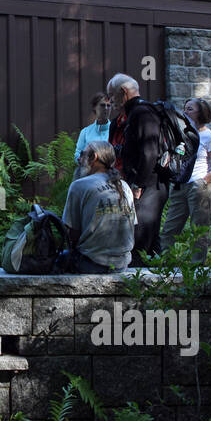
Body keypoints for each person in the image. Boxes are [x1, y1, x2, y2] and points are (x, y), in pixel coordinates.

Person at [106, 73, 168, 267]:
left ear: (123, 93)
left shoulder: (142, 113)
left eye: (113, 96)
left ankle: (137, 283)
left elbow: (150, 152)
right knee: (149, 240)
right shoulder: (132, 114)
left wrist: (137, 185)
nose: (111, 101)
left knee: (140, 238)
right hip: (145, 183)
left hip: (150, 184)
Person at [159, 98, 211, 261]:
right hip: (180, 185)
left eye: (190, 109)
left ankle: (197, 266)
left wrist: (205, 181)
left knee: (198, 229)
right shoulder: (182, 134)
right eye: (185, 109)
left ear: (201, 113)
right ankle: (166, 263)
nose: (185, 112)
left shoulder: (208, 136)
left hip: (198, 185)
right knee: (170, 228)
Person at [62, 140, 136, 273]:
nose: (79, 159)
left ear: (94, 157)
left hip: (92, 263)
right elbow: (131, 227)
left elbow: (72, 234)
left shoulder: (79, 186)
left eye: (82, 154)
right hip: (122, 265)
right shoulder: (124, 186)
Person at [73, 92, 111, 181]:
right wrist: (83, 160)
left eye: (108, 105)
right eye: (102, 105)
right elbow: (77, 154)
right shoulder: (85, 132)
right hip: (87, 176)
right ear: (94, 107)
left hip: (109, 177)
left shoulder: (115, 130)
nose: (106, 108)